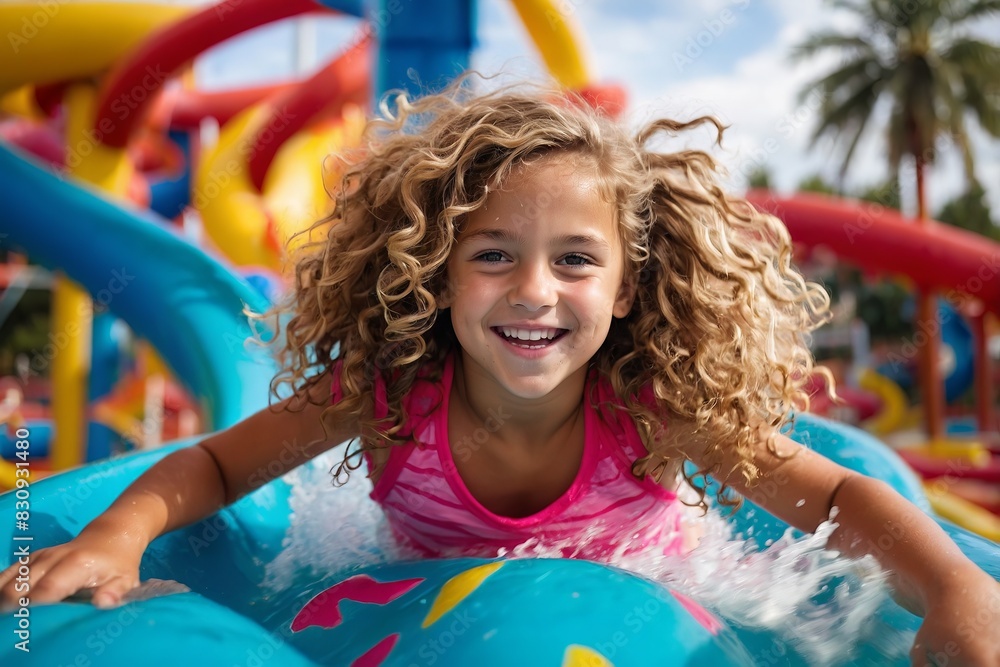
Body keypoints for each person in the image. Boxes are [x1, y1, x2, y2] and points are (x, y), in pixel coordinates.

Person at [2, 82, 998, 665]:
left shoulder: (648, 404)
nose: (533, 290)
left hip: (664, 582)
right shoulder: (390, 393)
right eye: (490, 256)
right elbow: (217, 465)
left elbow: (828, 493)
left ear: (624, 287)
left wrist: (954, 583)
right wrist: (114, 536)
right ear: (432, 274)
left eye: (574, 259)